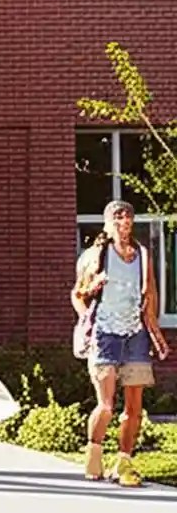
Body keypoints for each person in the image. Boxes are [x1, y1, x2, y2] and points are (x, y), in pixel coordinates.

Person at [72, 200, 168, 487]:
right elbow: (78, 295)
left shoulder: (142, 254)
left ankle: (124, 461)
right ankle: (94, 451)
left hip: (135, 333)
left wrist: (155, 330)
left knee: (134, 406)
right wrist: (88, 313)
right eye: (117, 217)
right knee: (106, 405)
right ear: (107, 223)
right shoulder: (96, 254)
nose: (124, 221)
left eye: (128, 216)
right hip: (105, 334)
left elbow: (150, 293)